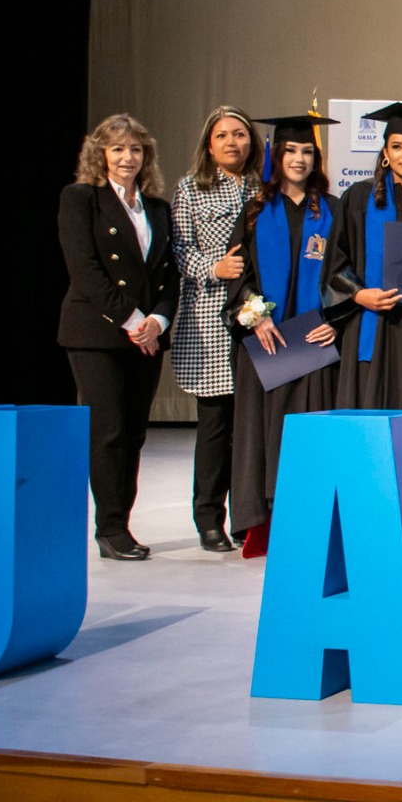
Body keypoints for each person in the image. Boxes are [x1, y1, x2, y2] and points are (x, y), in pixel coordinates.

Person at [223, 113, 346, 555]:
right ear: (277, 155)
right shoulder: (255, 210)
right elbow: (238, 277)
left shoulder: (332, 210)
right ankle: (263, 525)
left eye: (307, 152)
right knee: (261, 433)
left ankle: (310, 522)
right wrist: (258, 315)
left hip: (312, 342)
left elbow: (347, 273)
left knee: (309, 433)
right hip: (268, 343)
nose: (299, 159)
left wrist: (334, 321)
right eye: (291, 151)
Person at [59, 114, 179, 560]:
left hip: (148, 335)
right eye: (118, 149)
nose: (128, 157)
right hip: (98, 333)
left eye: (135, 149)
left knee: (134, 433)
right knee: (108, 432)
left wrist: (158, 321)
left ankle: (121, 522)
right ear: (100, 154)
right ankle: (109, 529)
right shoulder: (80, 199)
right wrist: (133, 321)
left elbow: (170, 275)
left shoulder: (157, 208)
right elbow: (85, 270)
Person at [324, 102, 402, 437]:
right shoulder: (358, 199)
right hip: (370, 323)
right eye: (397, 146)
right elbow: (335, 263)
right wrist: (358, 294)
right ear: (385, 153)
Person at [171, 104, 264, 552]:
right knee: (215, 425)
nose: (232, 142)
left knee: (250, 426)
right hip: (209, 320)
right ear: (209, 145)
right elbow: (179, 251)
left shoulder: (264, 188)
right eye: (223, 135)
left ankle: (249, 517)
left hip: (257, 316)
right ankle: (209, 517)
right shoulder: (190, 188)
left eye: (240, 134)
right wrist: (216, 267)